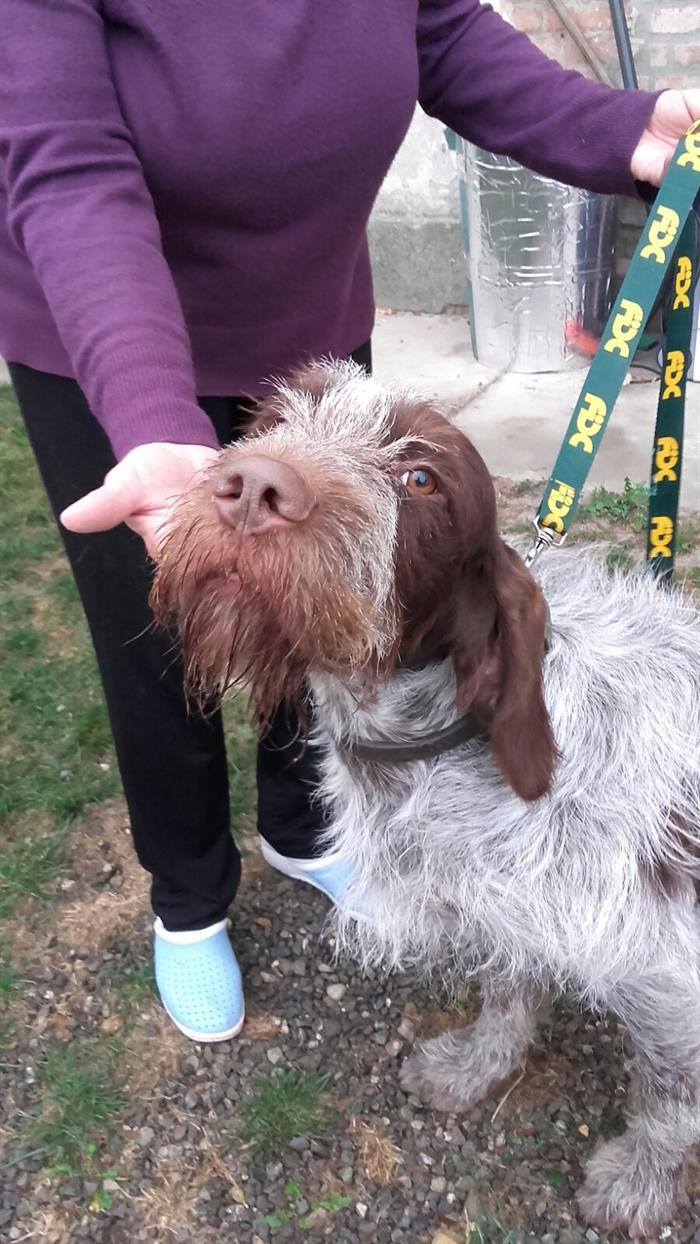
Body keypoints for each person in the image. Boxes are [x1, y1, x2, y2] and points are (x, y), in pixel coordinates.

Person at [1, 1, 698, 1044]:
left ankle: (303, 821)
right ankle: (189, 894)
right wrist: (153, 417)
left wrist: (621, 131)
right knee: (157, 631)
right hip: (105, 342)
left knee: (342, 606)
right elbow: (65, 166)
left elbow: (444, 34)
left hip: (311, 338)